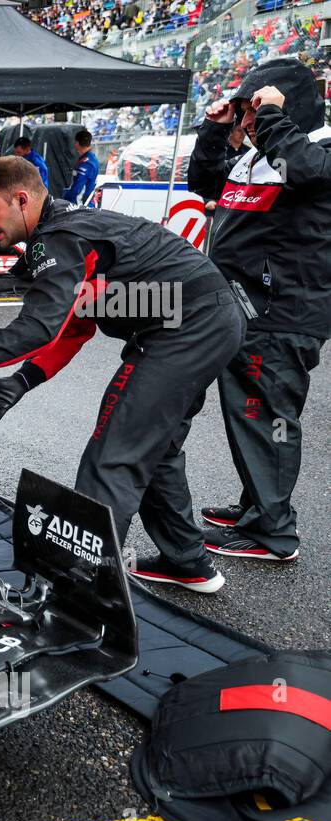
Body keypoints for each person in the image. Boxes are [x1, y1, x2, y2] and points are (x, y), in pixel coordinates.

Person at [0, 157, 243, 593]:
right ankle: (187, 562)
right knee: (156, 447)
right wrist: (22, 381)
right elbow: (73, 325)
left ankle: (82, 589)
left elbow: (37, 327)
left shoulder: (57, 239)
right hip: (199, 318)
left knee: (114, 451)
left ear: (21, 199)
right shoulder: (66, 232)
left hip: (189, 323)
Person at [186, 58, 330, 562]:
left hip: (283, 312)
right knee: (251, 415)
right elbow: (203, 181)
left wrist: (270, 116)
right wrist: (214, 128)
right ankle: (258, 506)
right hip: (247, 310)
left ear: (287, 106)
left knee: (267, 416)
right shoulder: (260, 155)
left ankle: (272, 530)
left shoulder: (316, 150)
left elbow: (307, 172)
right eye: (246, 113)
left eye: (254, 112)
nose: (247, 122)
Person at [64, 128, 99, 205]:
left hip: (81, 205)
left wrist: (65, 197)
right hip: (85, 202)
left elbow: (78, 188)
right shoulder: (91, 158)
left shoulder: (86, 163)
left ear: (77, 143)